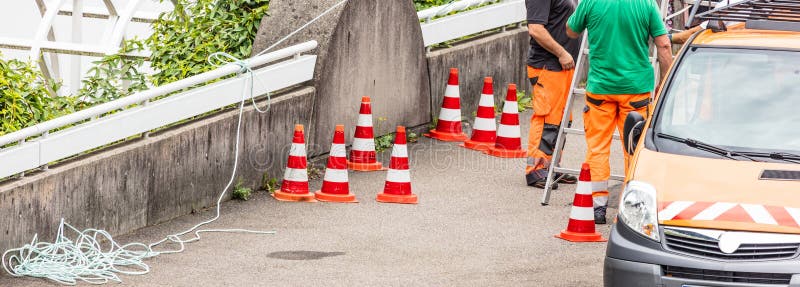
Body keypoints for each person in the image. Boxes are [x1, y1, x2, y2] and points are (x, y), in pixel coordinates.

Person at [566, 0, 674, 223]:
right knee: (634, 151)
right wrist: (664, 82)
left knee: (597, 148)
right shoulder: (646, 4)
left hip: (600, 90)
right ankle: (630, 209)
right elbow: (663, 45)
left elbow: (571, 31)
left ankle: (597, 207)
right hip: (636, 91)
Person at [523, 0, 582, 189]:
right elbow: (535, 29)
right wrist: (561, 53)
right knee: (547, 119)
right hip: (548, 65)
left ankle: (551, 166)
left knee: (563, 119)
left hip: (564, 66)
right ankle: (536, 169)